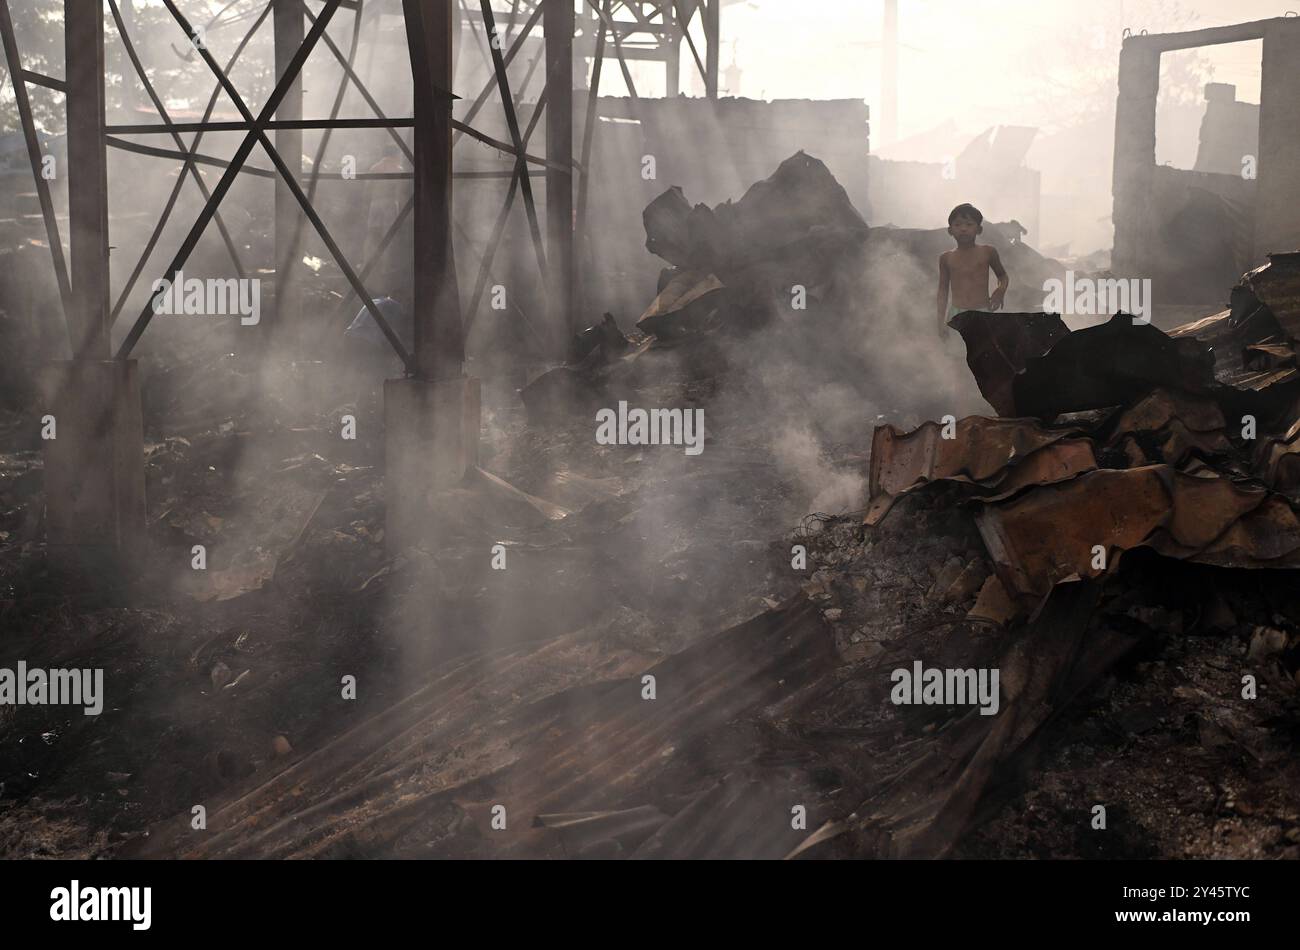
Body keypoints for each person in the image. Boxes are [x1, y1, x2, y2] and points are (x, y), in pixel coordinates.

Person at [936, 203, 1009, 337]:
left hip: (983, 313)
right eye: (957, 225)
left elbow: (1003, 276)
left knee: (983, 354)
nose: (963, 229)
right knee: (956, 355)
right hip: (956, 315)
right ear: (950, 230)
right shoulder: (946, 258)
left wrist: (1000, 290)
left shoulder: (988, 252)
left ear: (979, 229)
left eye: (969, 224)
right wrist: (940, 323)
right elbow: (942, 292)